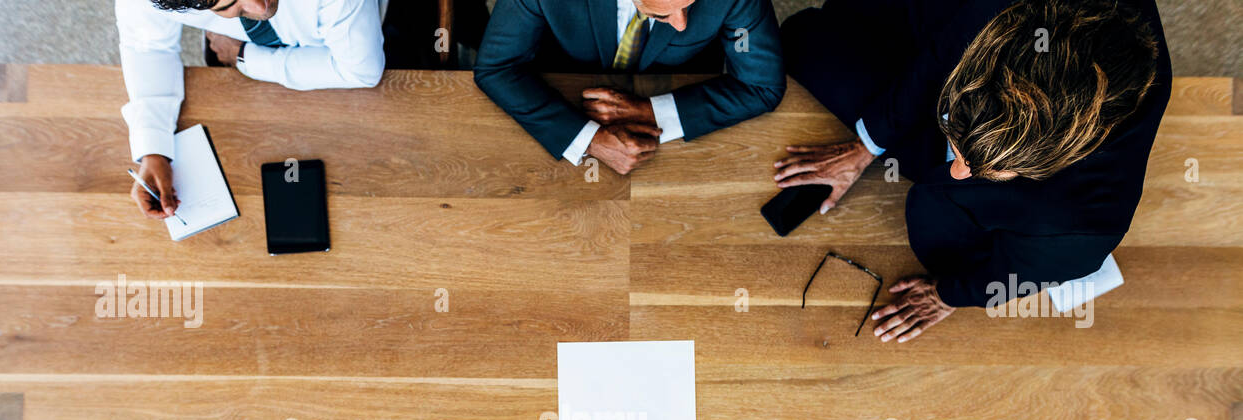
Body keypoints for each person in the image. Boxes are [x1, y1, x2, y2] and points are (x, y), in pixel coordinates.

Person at [775, 0, 1170, 343]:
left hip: (1005, 177)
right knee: (802, 41)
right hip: (956, 31)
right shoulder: (1011, 18)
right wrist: (866, 145)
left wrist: (948, 294)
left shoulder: (1087, 218)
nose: (958, 173)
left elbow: (1026, 271)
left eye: (989, 168)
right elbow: (948, 47)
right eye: (959, 144)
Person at [118, 0, 387, 222]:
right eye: (229, 5)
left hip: (352, 32)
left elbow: (360, 70)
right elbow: (147, 47)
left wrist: (246, 56)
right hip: (234, 47)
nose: (259, 7)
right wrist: (153, 148)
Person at [474, 0, 785, 175]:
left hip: (685, 142)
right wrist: (590, 140)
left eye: (687, 4)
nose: (681, 24)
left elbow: (761, 85)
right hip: (558, 100)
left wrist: (652, 112)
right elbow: (498, 67)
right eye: (664, 11)